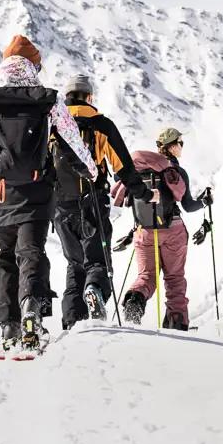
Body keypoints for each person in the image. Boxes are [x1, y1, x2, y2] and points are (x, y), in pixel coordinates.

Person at [0, 35, 100, 353]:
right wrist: (89, 172)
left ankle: (9, 325)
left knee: (7, 257)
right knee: (32, 252)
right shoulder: (48, 100)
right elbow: (72, 143)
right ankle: (31, 314)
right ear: (33, 66)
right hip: (37, 193)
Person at [57, 72, 136, 329]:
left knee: (74, 264)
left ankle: (71, 322)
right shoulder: (101, 125)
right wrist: (144, 194)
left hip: (60, 207)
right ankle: (95, 291)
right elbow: (123, 167)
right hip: (92, 202)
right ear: (89, 97)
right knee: (98, 260)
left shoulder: (53, 124)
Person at [117, 128, 211, 329]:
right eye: (180, 143)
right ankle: (177, 321)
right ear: (171, 146)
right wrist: (204, 202)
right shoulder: (175, 171)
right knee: (174, 278)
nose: (182, 147)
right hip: (173, 231)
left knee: (146, 276)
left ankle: (135, 299)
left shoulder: (136, 170)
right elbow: (188, 205)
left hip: (144, 232)